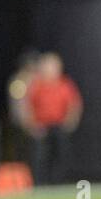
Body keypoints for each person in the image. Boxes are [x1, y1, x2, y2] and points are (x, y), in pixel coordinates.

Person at [27, 52, 82, 185]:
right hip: (42, 126)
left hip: (59, 125)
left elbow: (74, 104)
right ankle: (40, 184)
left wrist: (70, 122)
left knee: (61, 156)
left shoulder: (65, 84)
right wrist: (32, 125)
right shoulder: (37, 85)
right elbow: (28, 106)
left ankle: (58, 183)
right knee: (41, 158)